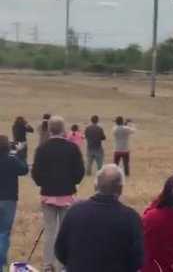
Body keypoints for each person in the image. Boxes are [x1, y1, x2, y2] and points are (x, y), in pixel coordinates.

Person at [54, 164, 142, 272]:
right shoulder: (130, 218)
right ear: (120, 189)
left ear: (96, 186)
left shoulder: (75, 212)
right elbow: (138, 259)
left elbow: (60, 251)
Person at [31, 116, 85, 272]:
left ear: (49, 130)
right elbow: (80, 171)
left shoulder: (41, 149)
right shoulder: (72, 148)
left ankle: (48, 264)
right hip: (67, 194)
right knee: (65, 230)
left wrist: (43, 184)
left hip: (47, 195)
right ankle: (62, 265)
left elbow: (35, 173)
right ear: (63, 129)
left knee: (50, 231)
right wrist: (73, 182)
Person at [0, 135, 28, 271]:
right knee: (4, 232)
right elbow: (24, 170)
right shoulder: (11, 160)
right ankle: (1, 261)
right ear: (7, 147)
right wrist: (19, 153)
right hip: (8, 200)